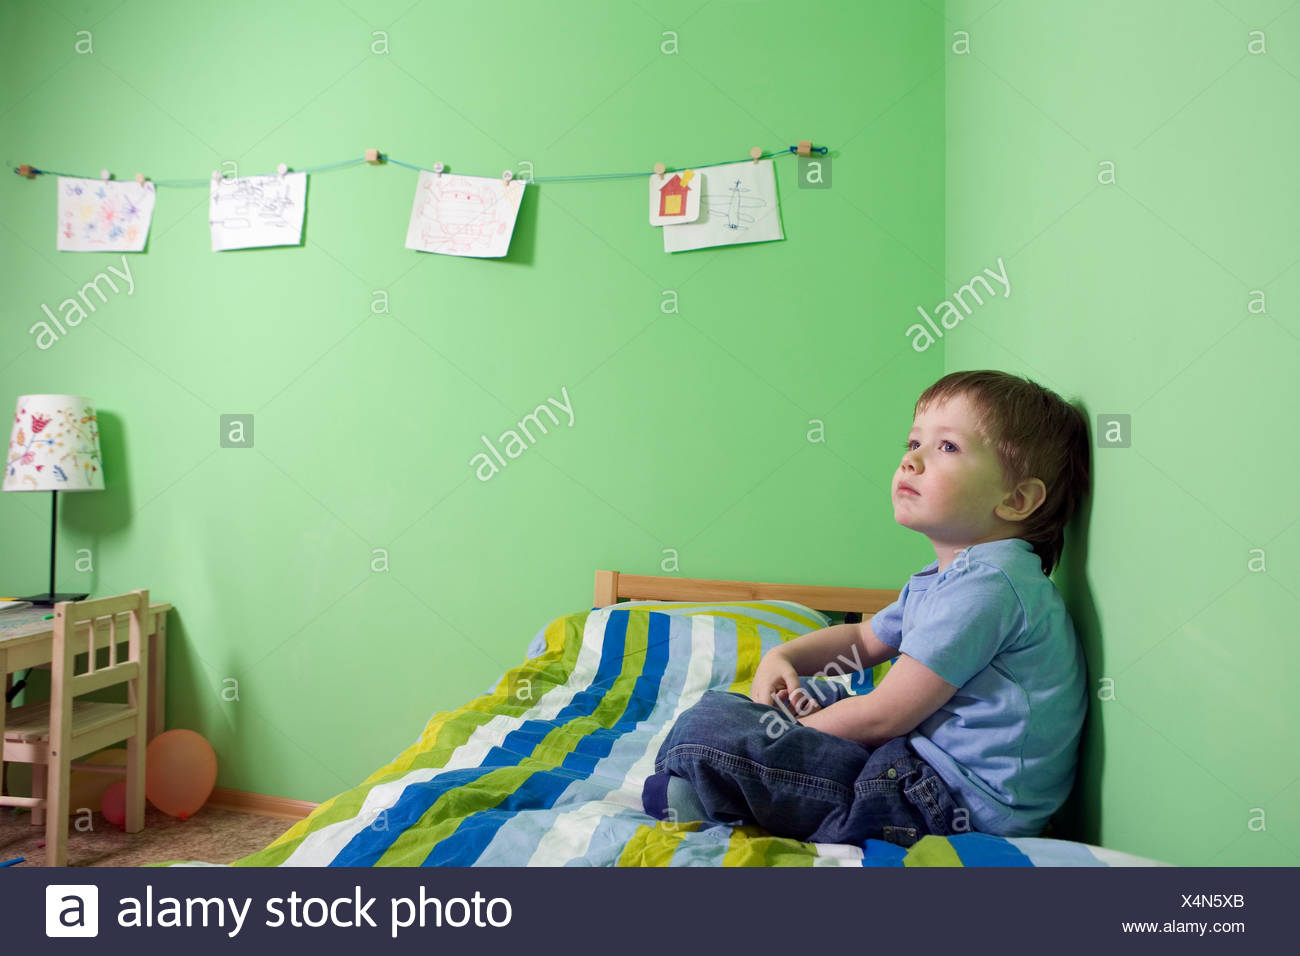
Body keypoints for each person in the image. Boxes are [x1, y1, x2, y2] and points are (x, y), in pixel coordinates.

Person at [641, 370, 1091, 846]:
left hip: (948, 803)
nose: (911, 460)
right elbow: (861, 640)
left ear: (1017, 499)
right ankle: (719, 770)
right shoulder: (953, 578)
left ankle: (700, 789)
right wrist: (784, 658)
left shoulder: (990, 587)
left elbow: (883, 716)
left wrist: (793, 734)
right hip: (920, 759)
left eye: (947, 447)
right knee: (773, 702)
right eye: (914, 441)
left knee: (717, 729)